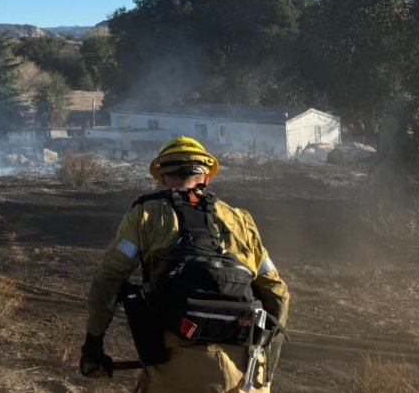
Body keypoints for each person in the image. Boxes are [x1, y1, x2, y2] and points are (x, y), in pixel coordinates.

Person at [79, 137, 290, 392]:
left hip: (179, 367)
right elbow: (278, 292)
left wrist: (93, 347)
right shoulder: (240, 220)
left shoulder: (146, 214)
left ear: (163, 178)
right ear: (206, 178)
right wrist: (266, 367)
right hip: (248, 371)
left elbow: (109, 280)